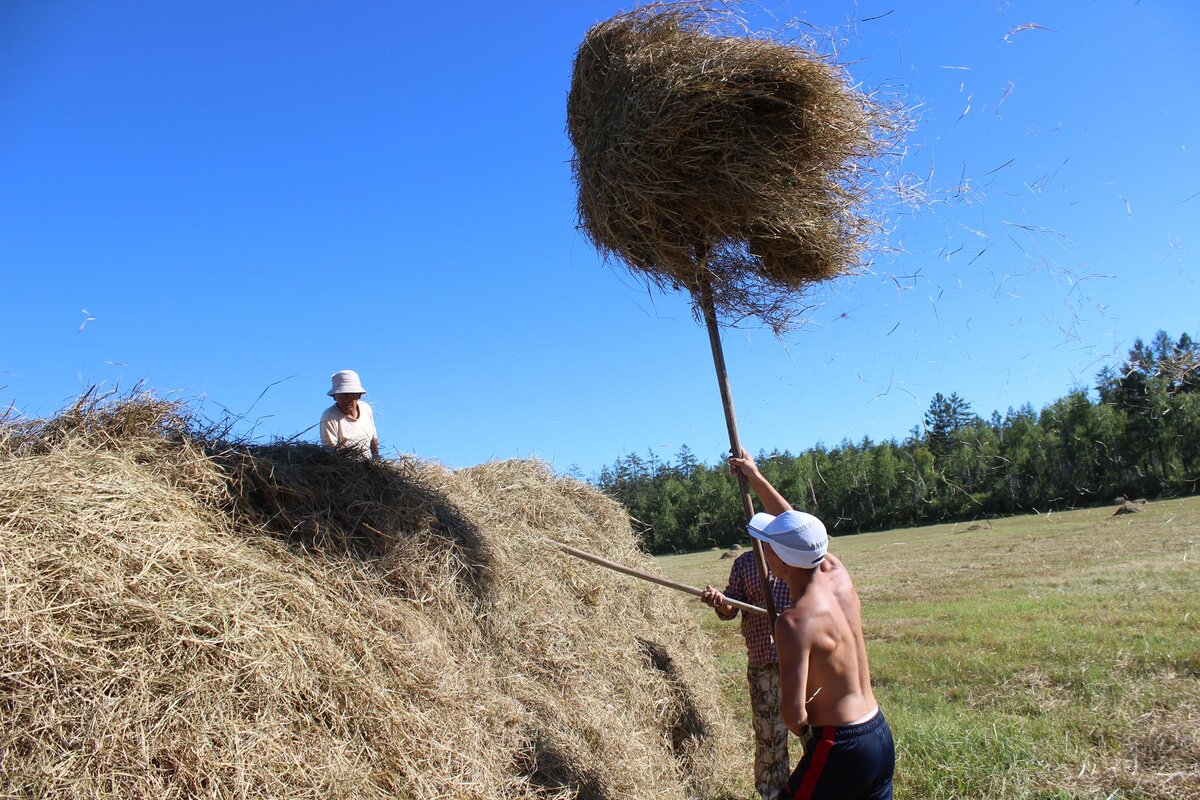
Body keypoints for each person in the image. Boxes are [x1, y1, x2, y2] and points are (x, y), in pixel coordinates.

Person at [730, 449, 894, 800]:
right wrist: (756, 478)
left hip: (840, 746)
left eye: (768, 545)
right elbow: (802, 534)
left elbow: (793, 714)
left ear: (782, 561)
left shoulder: (794, 623)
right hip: (878, 733)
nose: (763, 549)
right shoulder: (838, 575)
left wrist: (806, 731)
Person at [700, 545, 792, 799]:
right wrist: (720, 601)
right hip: (763, 662)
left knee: (814, 731)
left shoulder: (797, 556)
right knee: (769, 737)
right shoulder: (745, 563)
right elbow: (731, 609)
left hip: (800, 658)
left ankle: (819, 789)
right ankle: (773, 794)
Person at [319, 370, 379, 459]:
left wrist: (377, 459)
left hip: (367, 465)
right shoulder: (329, 417)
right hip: (345, 467)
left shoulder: (366, 409)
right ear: (334, 397)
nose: (347, 400)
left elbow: (373, 439)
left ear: (359, 395)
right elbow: (331, 452)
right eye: (341, 395)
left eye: (351, 395)